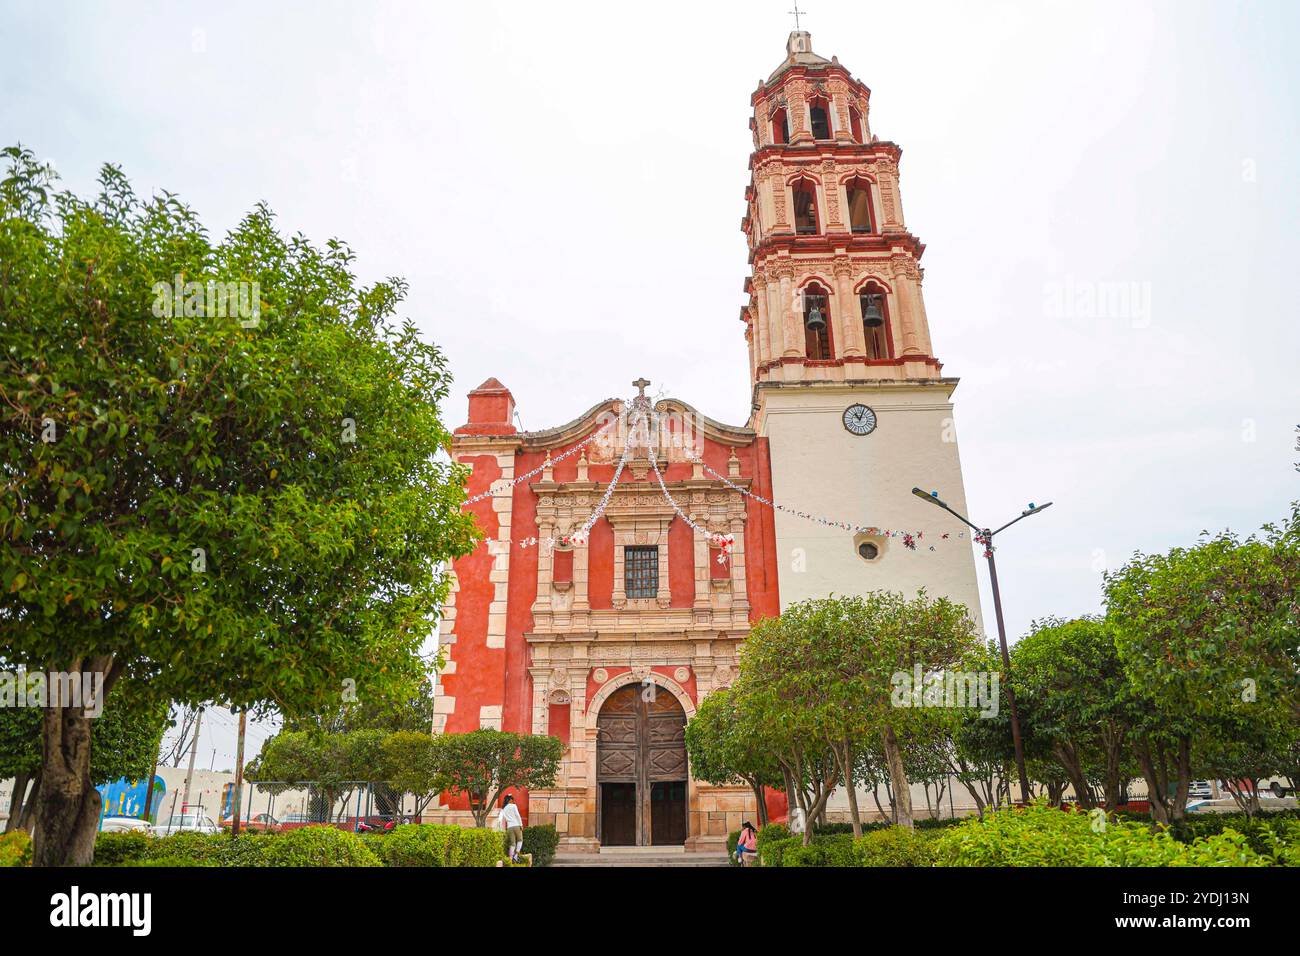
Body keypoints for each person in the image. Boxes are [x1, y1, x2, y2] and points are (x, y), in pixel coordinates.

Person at [495, 794, 525, 863]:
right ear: (510, 800)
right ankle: (516, 855)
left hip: (509, 827)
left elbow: (500, 820)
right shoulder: (513, 806)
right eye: (512, 799)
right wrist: (521, 824)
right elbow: (517, 815)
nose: (513, 801)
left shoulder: (503, 809)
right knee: (520, 840)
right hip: (516, 825)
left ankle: (510, 859)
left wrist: (500, 829)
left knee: (512, 843)